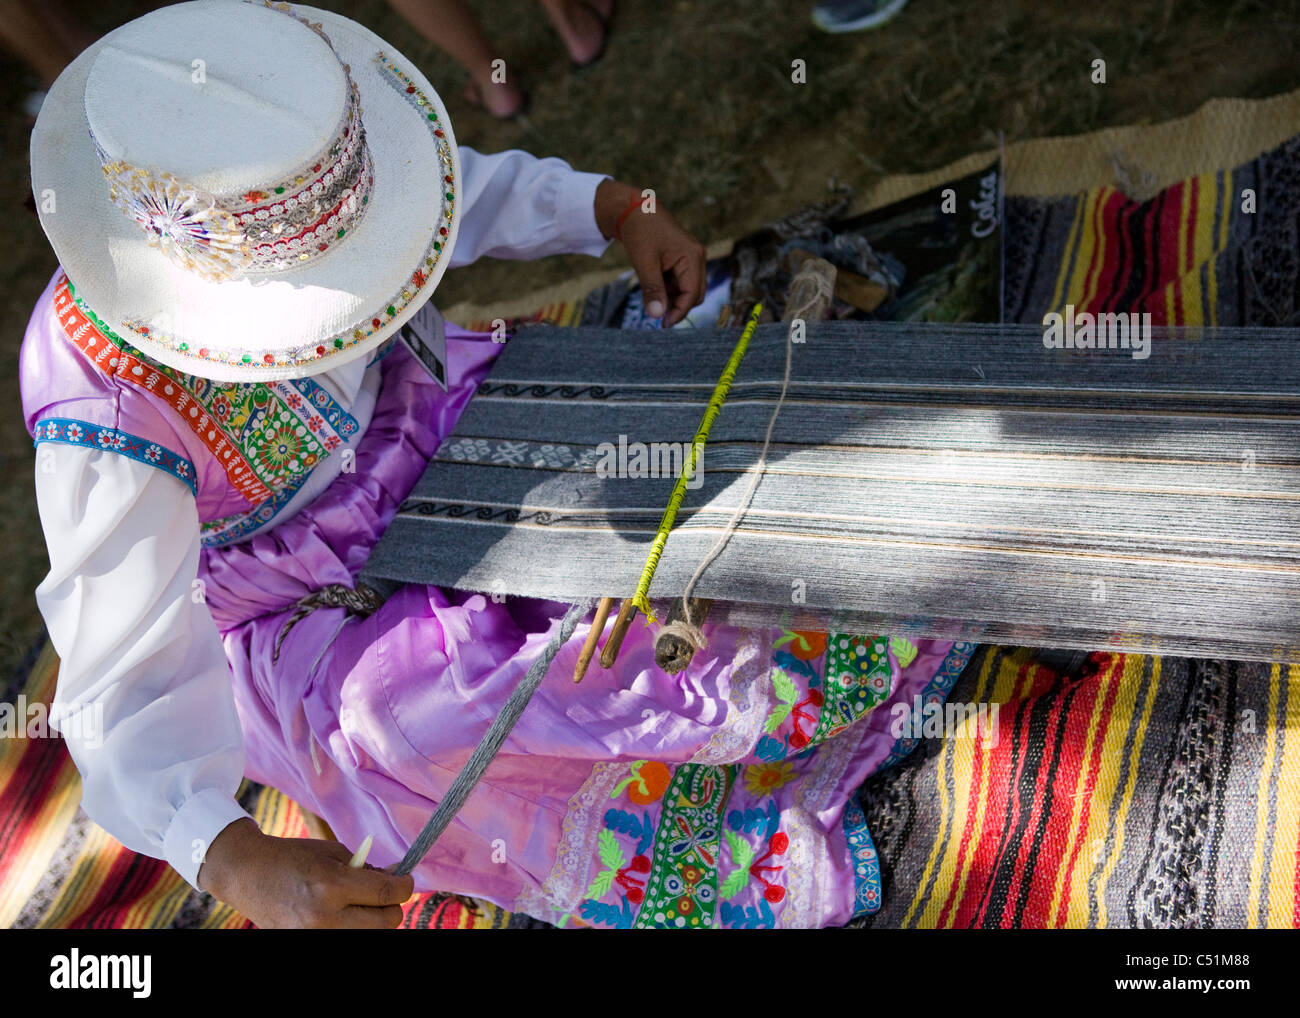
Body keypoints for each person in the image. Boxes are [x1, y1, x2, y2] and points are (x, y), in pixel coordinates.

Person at [22, 0, 967, 929]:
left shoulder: (301, 157)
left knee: (674, 512)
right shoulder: (105, 409)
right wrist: (230, 857)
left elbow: (439, 197)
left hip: (445, 414)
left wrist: (606, 206)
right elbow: (117, 679)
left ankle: (852, 654)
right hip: (308, 599)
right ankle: (716, 814)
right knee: (422, 713)